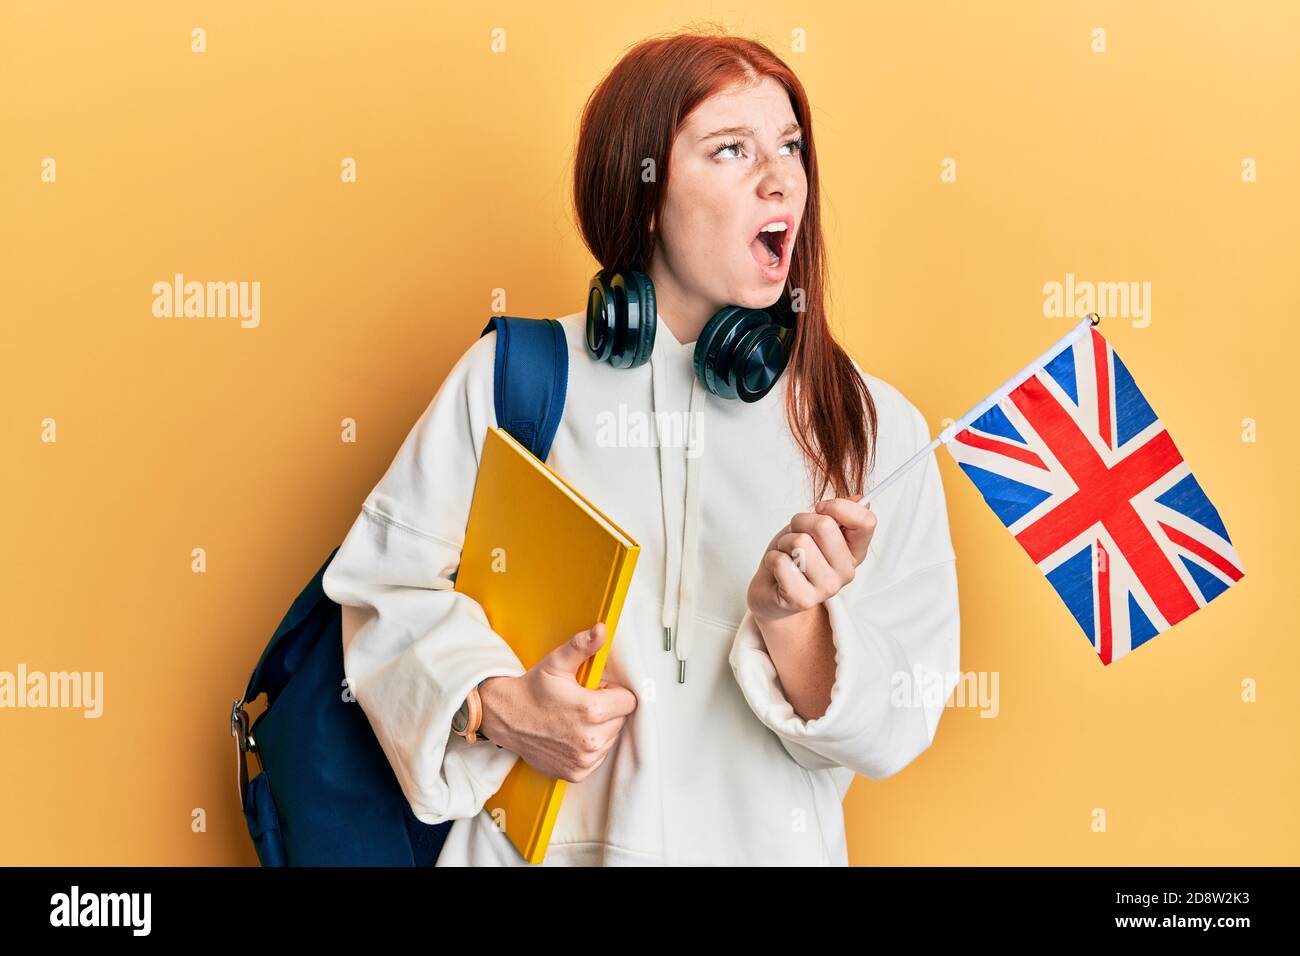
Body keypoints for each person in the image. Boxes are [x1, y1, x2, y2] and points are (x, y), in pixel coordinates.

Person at [321, 31, 961, 866]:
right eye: (731, 148)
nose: (780, 178)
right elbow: (380, 589)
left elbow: (901, 720)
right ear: (647, 193)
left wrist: (792, 626)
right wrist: (497, 704)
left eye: (792, 147)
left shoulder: (870, 427)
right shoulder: (516, 379)